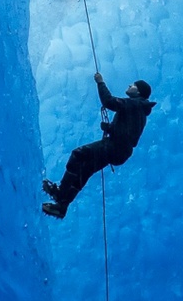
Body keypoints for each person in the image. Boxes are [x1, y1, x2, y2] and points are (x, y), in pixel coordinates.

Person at [42, 73, 155, 219]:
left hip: (113, 147)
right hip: (120, 151)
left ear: (138, 92)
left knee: (78, 154)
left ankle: (60, 193)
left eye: (133, 85)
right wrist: (110, 128)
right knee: (86, 169)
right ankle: (62, 207)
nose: (129, 86)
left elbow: (109, 102)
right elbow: (129, 133)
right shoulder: (140, 111)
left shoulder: (134, 103)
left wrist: (100, 82)